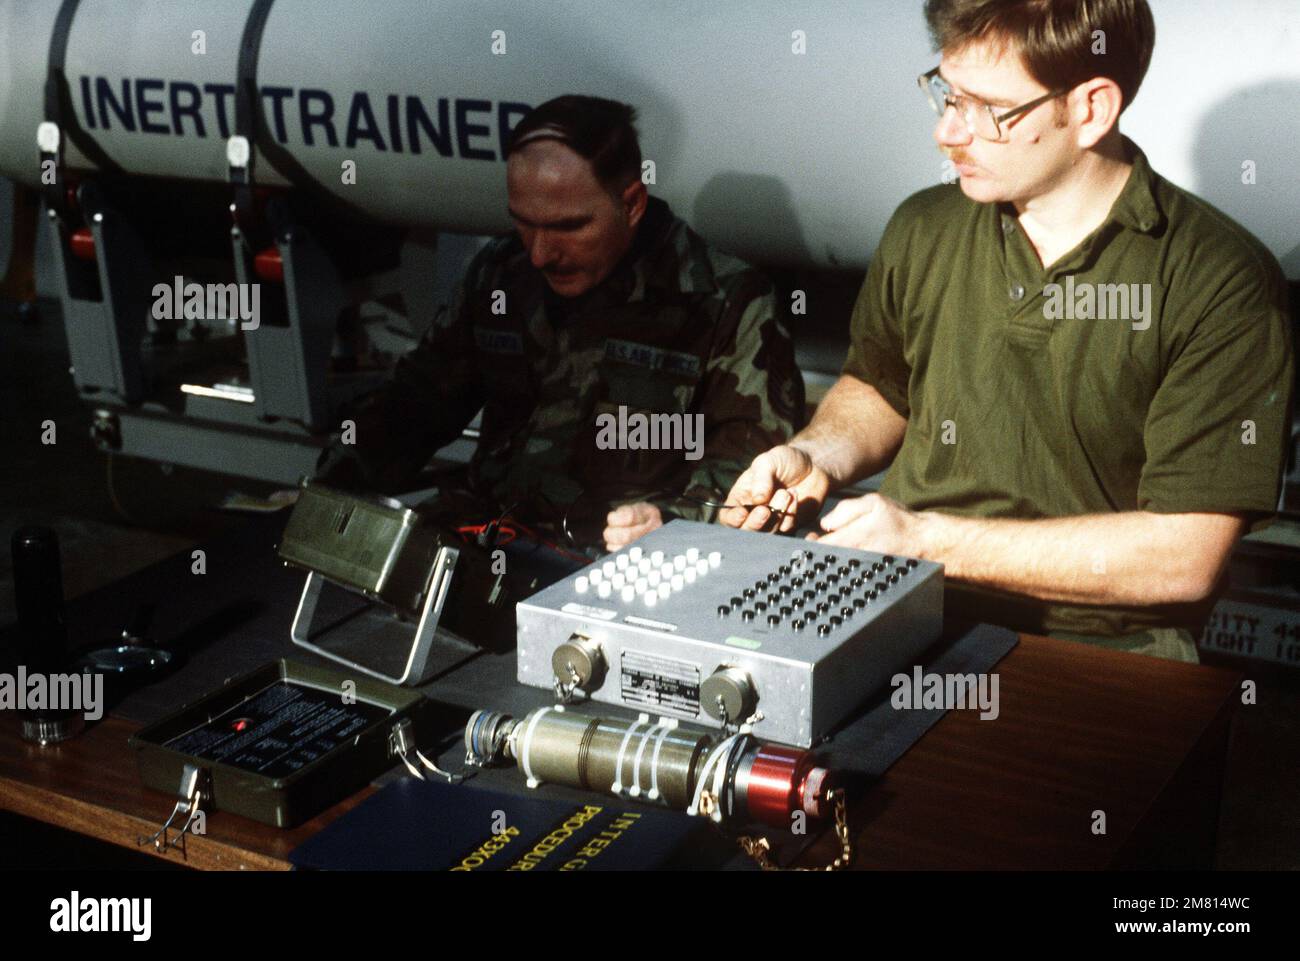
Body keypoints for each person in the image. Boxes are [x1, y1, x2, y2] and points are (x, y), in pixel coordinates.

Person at [722, 0, 1293, 662]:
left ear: (1091, 110)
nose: (946, 132)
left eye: (989, 109)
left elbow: (1183, 558)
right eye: (946, 94)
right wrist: (819, 455)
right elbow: (881, 386)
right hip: (898, 606)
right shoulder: (924, 226)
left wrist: (927, 540)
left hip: (1100, 646)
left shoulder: (1220, 280)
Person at [315, 95, 803, 552]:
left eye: (569, 227)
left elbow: (750, 473)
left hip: (620, 566)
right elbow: (415, 403)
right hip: (483, 539)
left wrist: (670, 525)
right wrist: (330, 485)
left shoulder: (726, 302)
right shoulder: (501, 274)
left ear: (631, 203)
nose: (541, 253)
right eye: (525, 222)